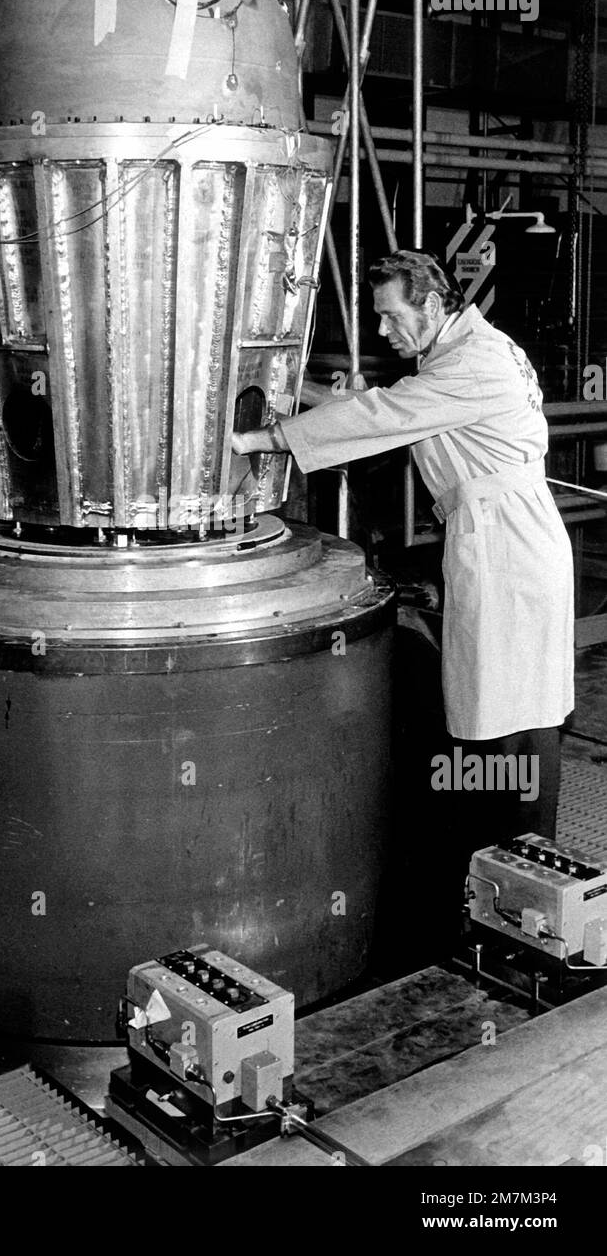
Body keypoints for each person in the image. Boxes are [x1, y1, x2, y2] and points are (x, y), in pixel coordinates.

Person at [233, 249, 574, 915]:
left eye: (391, 317)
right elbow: (381, 404)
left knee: (516, 716)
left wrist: (261, 439)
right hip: (498, 536)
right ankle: (505, 859)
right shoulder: (462, 352)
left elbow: (383, 418)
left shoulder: (471, 362)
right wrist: (310, 399)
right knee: (502, 708)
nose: (384, 332)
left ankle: (528, 871)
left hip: (507, 547)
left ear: (429, 302)